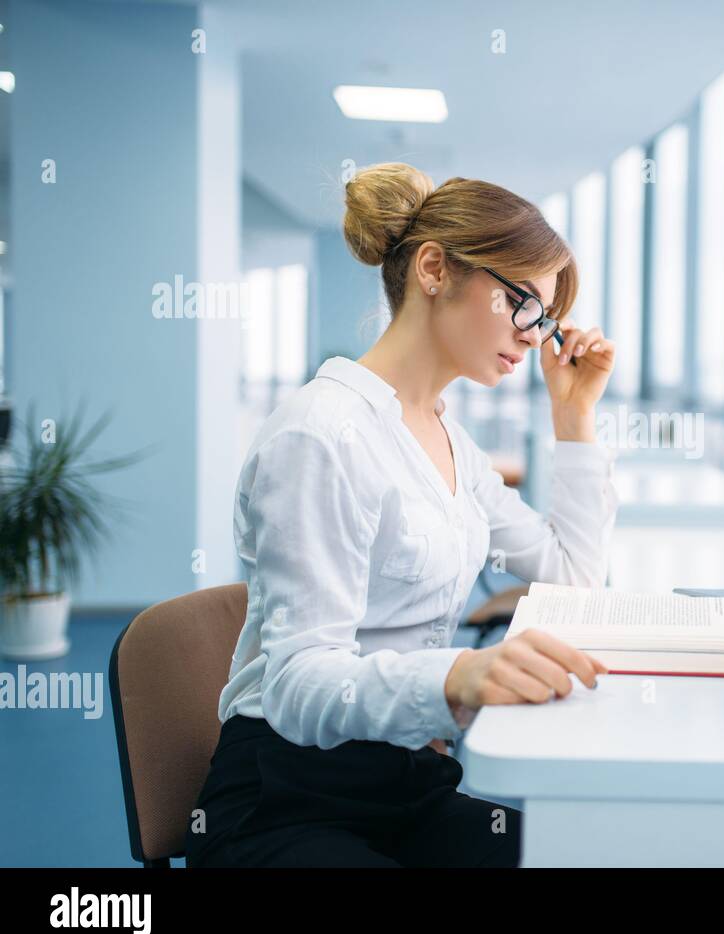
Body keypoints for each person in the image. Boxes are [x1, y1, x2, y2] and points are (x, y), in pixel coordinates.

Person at [185, 163, 618, 867]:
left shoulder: (451, 444)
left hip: (407, 785)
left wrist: (574, 418)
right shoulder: (319, 435)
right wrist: (454, 676)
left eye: (545, 318)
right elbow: (296, 684)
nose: (534, 336)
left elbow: (573, 576)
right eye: (523, 303)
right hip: (286, 799)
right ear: (434, 269)